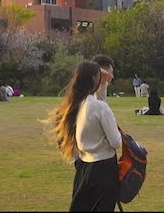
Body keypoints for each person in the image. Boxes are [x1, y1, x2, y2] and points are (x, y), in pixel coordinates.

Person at [44, 60, 121, 211]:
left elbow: (98, 104)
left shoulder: (75, 105)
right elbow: (116, 142)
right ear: (94, 79)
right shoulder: (99, 107)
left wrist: (103, 84)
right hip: (104, 168)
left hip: (85, 167)